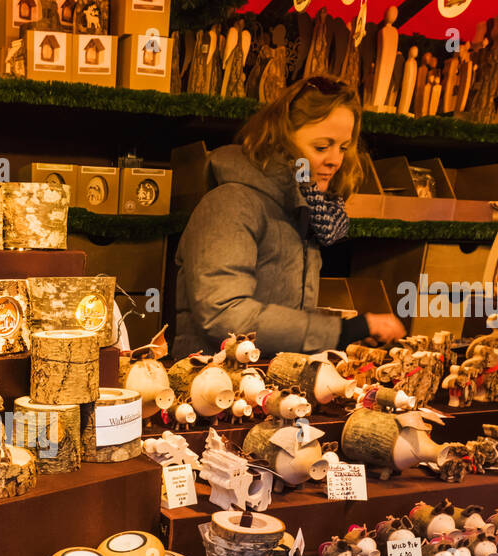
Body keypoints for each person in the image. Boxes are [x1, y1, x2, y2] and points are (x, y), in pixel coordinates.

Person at [172, 75, 406, 360]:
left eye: (343, 147)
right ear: (281, 140)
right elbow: (224, 315)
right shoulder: (232, 203)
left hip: (272, 386)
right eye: (322, 146)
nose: (335, 159)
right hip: (209, 386)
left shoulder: (303, 211)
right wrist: (341, 331)